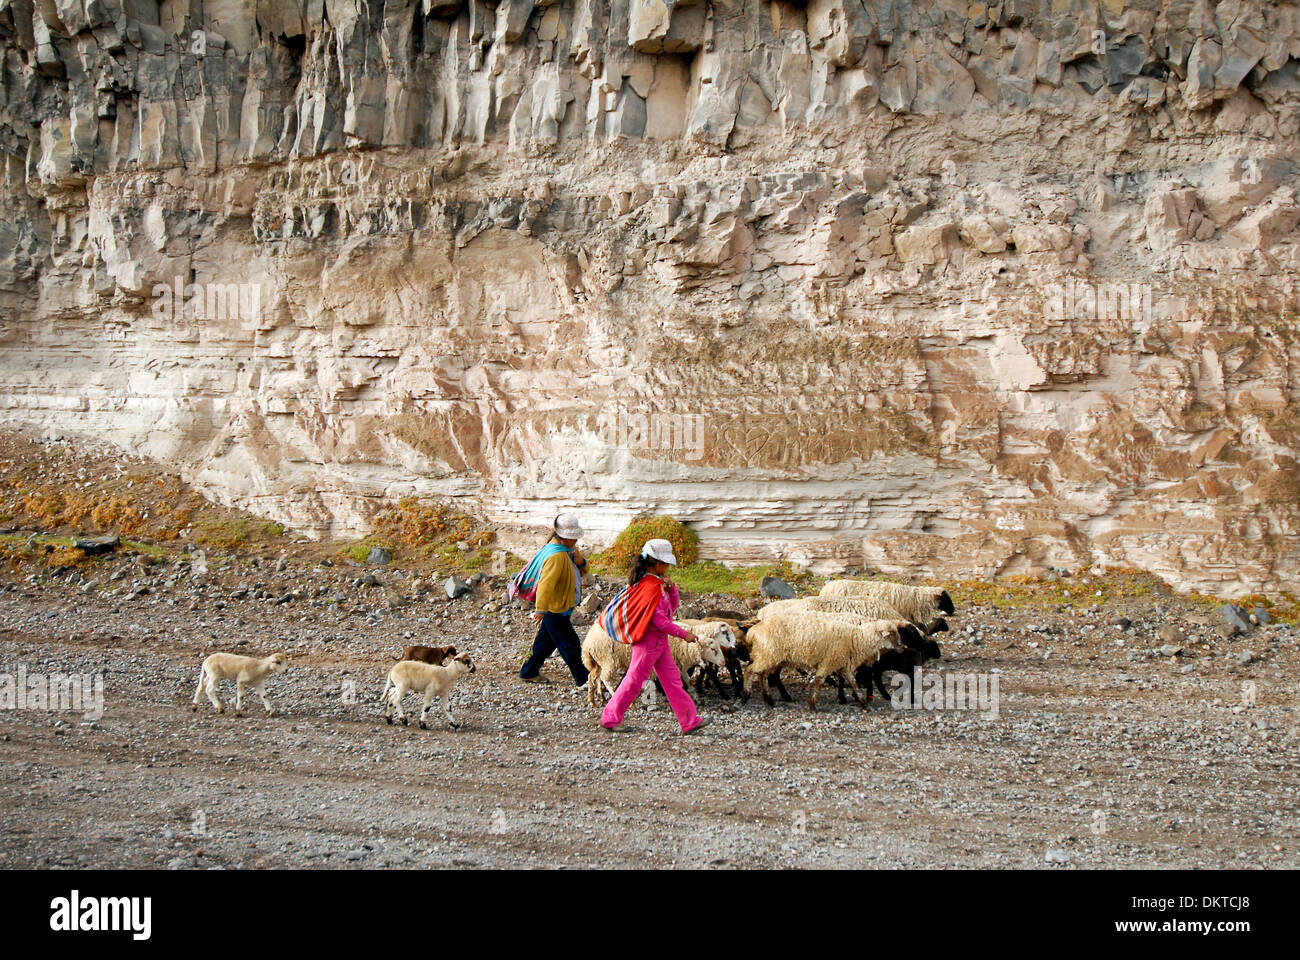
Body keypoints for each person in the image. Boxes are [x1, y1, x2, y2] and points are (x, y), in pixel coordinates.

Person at [599, 539, 709, 736]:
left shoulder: (649, 584)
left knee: (672, 680)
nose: (668, 567)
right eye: (666, 563)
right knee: (634, 680)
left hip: (658, 643)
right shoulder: (652, 587)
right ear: (657, 563)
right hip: (649, 643)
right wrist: (685, 634)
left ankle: (689, 721)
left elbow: (670, 610)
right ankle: (610, 718)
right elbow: (660, 621)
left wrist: (672, 589)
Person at [518, 513, 590, 687]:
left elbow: (583, 570)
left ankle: (529, 671)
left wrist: (582, 562)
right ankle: (584, 678)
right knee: (570, 643)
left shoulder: (568, 550)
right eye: (572, 538)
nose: (575, 541)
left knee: (546, 643)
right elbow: (545, 585)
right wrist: (540, 610)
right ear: (562, 536)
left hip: (562, 606)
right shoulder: (556, 556)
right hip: (555, 608)